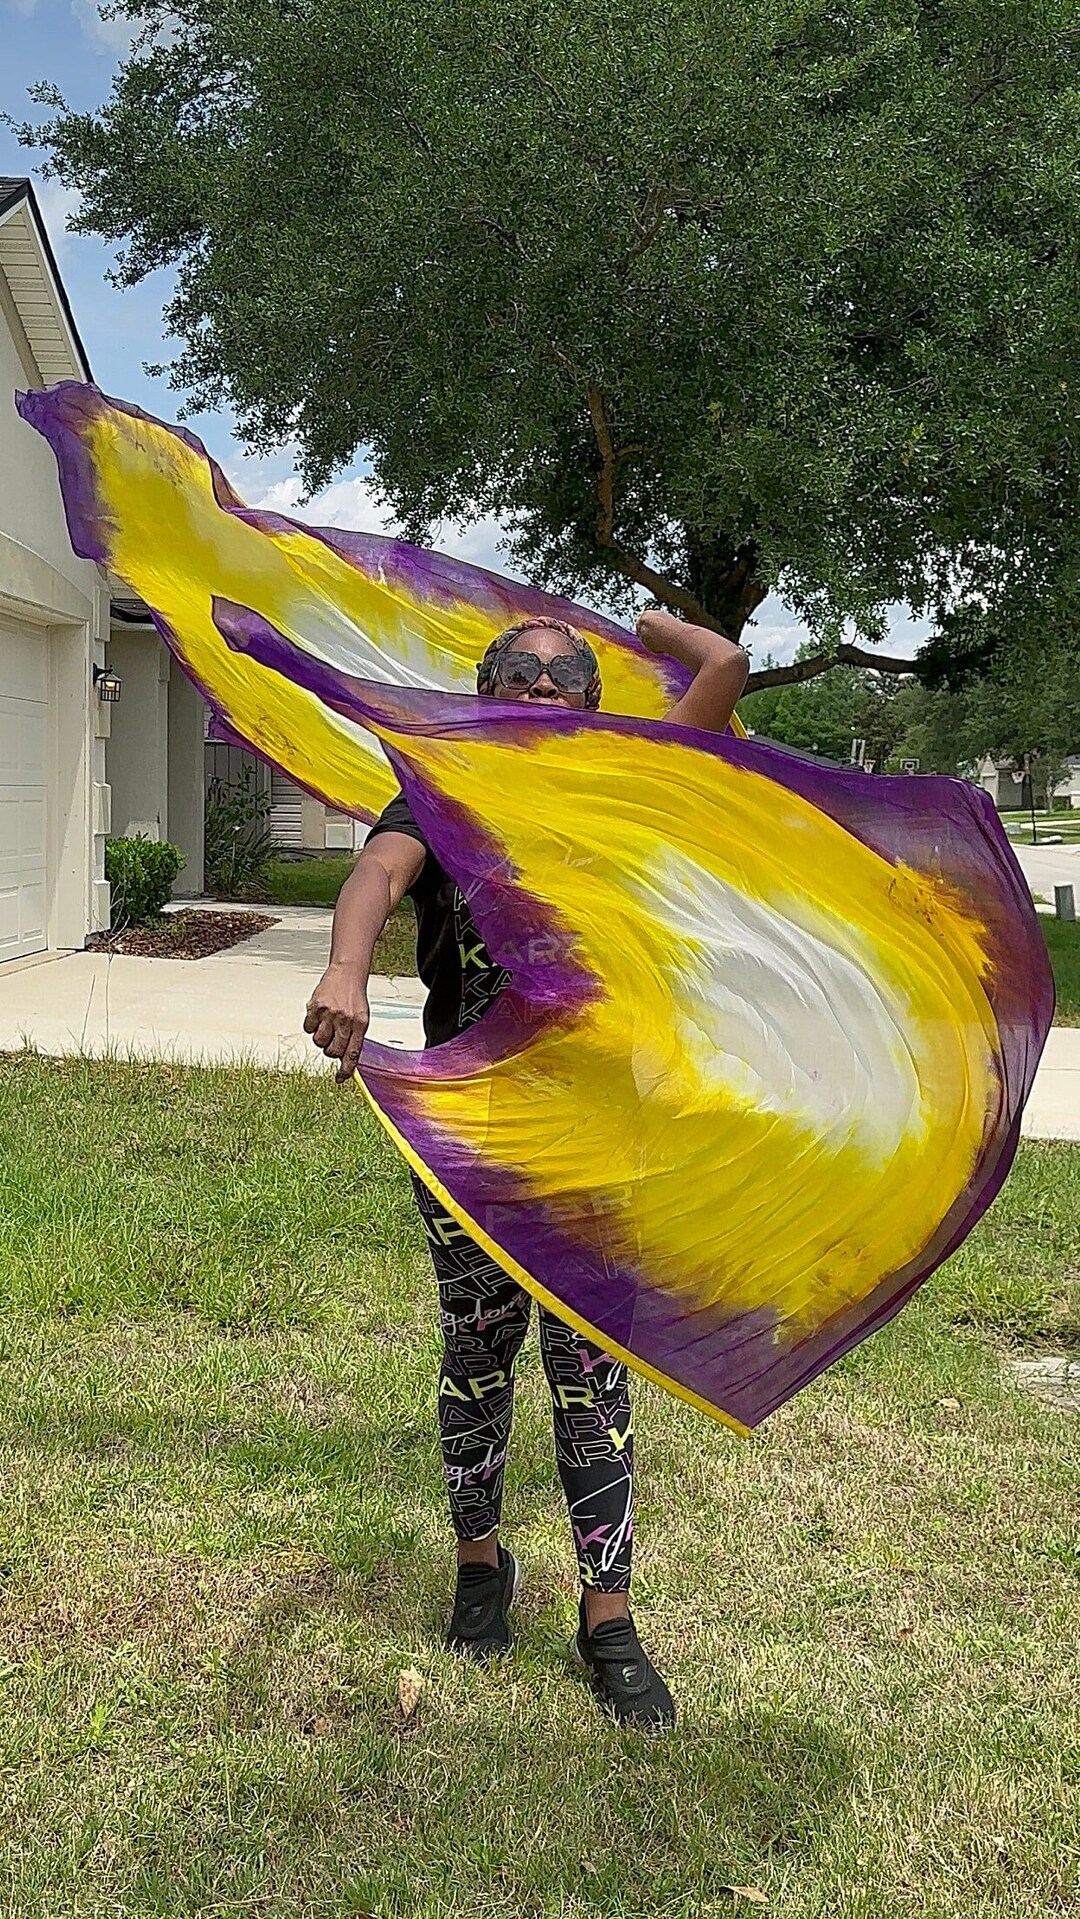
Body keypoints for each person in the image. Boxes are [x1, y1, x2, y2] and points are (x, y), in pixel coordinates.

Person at [305, 606, 748, 1730]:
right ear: (490, 683)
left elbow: (726, 667)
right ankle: (478, 1568)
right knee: (477, 1351)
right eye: (522, 665)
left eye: (565, 669)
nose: (543, 677)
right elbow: (376, 875)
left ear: (593, 699)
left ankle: (608, 1618)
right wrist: (347, 969)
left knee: (592, 1375)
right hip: (472, 1127)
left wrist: (651, 624)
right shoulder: (448, 790)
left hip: (601, 1132)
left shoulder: (626, 781)